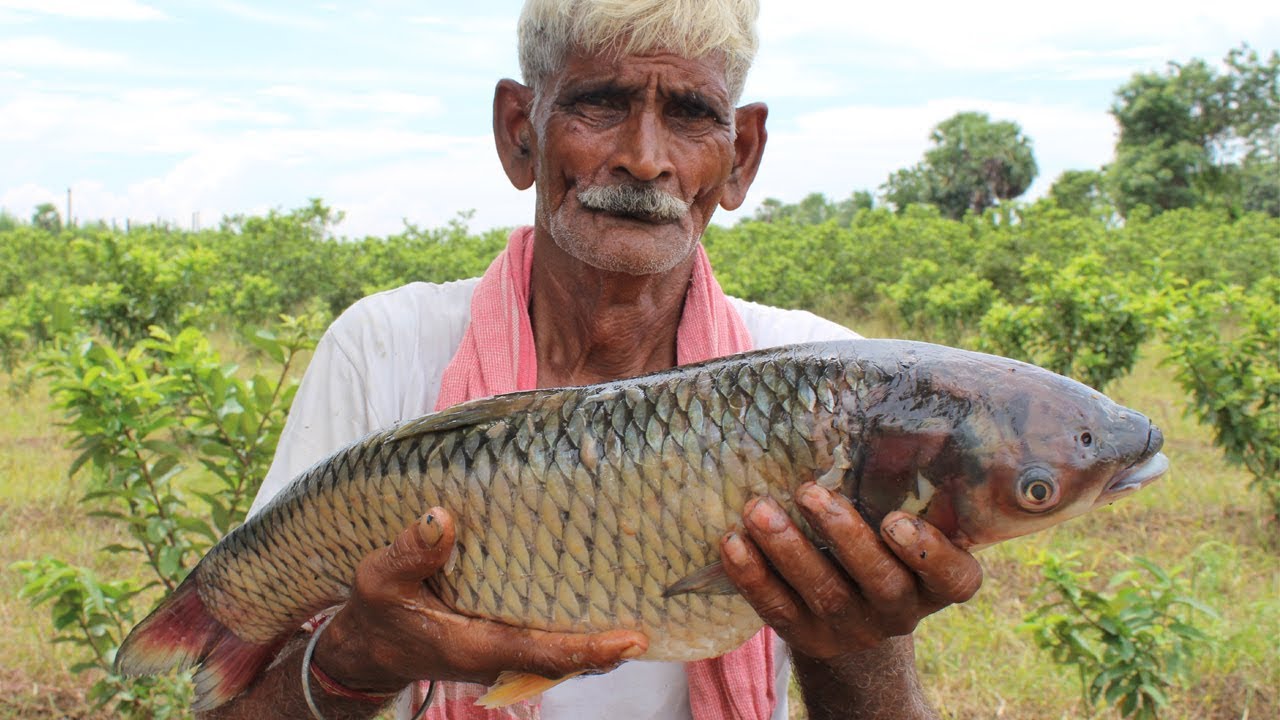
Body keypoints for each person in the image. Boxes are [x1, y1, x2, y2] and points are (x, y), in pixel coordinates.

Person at [206, 1, 983, 718]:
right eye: (600, 103)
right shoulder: (383, 350)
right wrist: (355, 658)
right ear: (520, 132)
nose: (644, 159)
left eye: (690, 114)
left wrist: (850, 636)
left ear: (741, 155)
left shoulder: (830, 387)